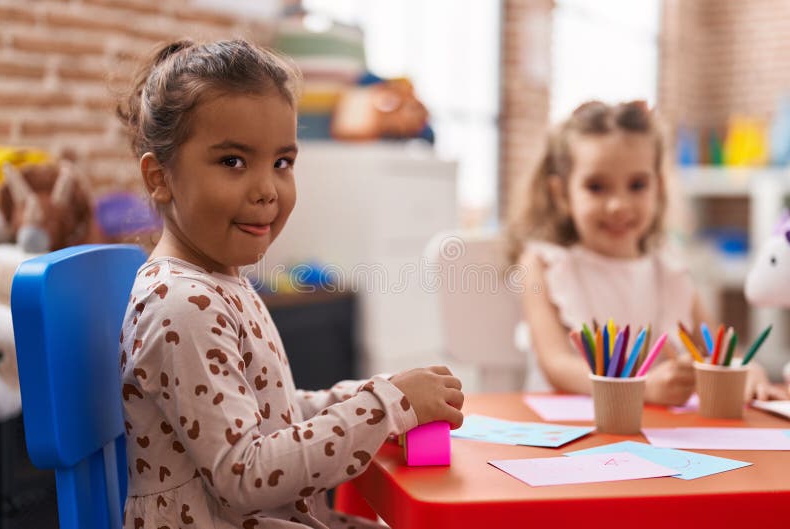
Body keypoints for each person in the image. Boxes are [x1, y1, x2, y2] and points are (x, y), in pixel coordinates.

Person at [116, 39, 464, 529]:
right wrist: (385, 407)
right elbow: (244, 476)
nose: (266, 190)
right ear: (160, 178)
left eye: (282, 162)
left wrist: (377, 397)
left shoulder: (217, 284)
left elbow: (273, 414)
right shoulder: (182, 304)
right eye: (233, 161)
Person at [507, 100, 786, 405]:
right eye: (597, 187)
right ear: (561, 194)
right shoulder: (543, 264)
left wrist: (742, 369)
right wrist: (641, 388)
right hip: (563, 435)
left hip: (657, 441)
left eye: (637, 185)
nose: (619, 205)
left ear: (659, 188)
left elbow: (715, 353)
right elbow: (556, 365)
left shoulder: (671, 271)